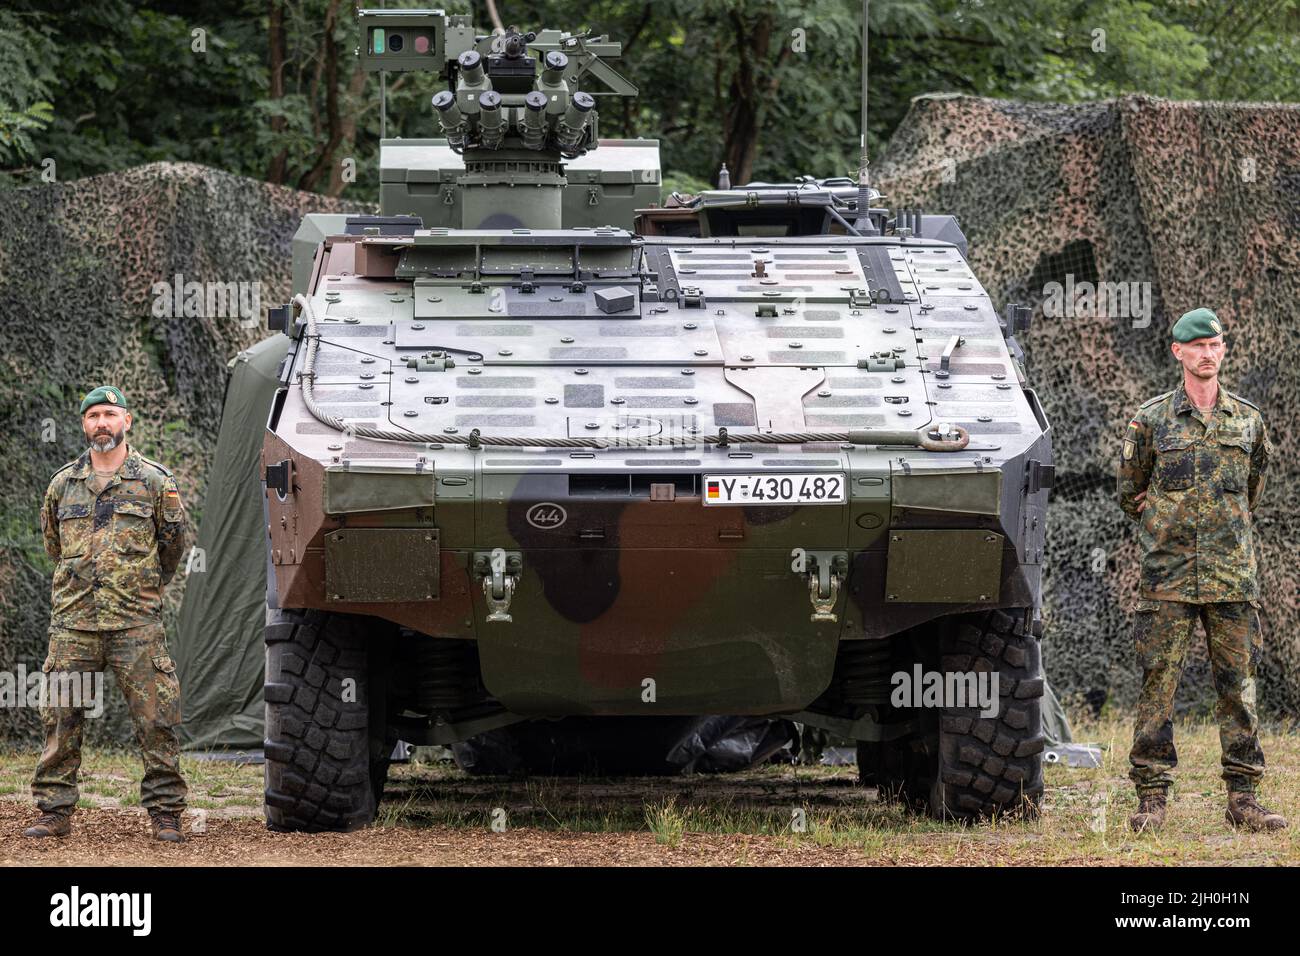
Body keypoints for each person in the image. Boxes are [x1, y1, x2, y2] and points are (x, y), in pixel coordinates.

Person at [1117, 308, 1284, 833]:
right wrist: (1170, 522)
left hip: (1231, 575)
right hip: (1167, 577)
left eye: (1215, 344)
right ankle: (1151, 800)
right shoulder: (1152, 420)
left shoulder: (1248, 420)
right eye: (1197, 346)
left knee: (1238, 687)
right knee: (1157, 685)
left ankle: (1244, 800)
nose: (1207, 354)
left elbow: (1253, 488)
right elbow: (1131, 492)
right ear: (1178, 353)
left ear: (1222, 350)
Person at [25, 385, 191, 842]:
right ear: (84, 424)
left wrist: (137, 588)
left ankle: (166, 812)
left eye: (110, 414)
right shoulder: (63, 484)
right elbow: (53, 547)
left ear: (127, 421)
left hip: (135, 623)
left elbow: (172, 548)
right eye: (94, 415)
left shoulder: (155, 482)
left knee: (157, 719)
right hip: (74, 623)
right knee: (60, 718)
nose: (102, 423)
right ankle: (54, 811)